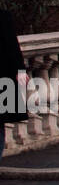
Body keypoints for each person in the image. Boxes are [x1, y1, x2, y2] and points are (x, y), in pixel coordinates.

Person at [1, 9, 25, 161]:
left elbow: (12, 46)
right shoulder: (3, 16)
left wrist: (20, 70)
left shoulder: (3, 17)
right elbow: (12, 46)